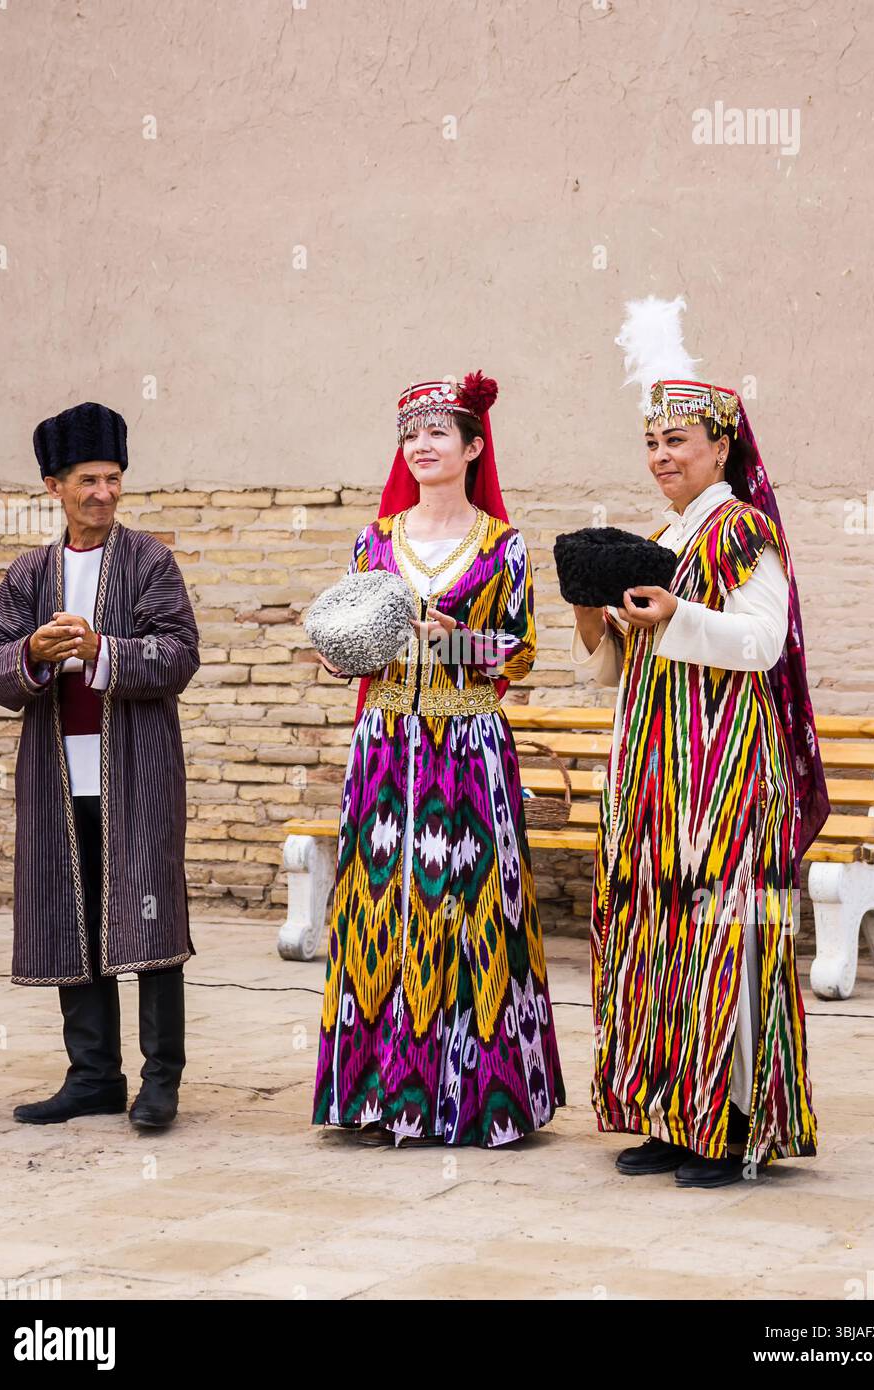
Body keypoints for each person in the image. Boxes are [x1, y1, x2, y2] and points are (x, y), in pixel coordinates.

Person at [570, 299, 829, 1187]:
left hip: (721, 771)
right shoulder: (660, 538)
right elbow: (612, 666)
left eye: (677, 441)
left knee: (723, 935)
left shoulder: (743, 530)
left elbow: (762, 643)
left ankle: (735, 1127)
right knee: (652, 937)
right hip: (650, 772)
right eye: (652, 444)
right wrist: (590, 613)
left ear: (721, 448)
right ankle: (669, 1116)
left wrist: (680, 614)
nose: (661, 458)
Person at [311, 373, 565, 1147]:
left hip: (469, 746)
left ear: (473, 446)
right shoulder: (373, 540)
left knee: (469, 908)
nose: (422, 446)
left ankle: (475, 1098)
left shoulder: (503, 545)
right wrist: (340, 657)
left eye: (438, 433)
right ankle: (375, 1096)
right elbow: (357, 642)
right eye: (410, 434)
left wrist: (450, 635)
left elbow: (518, 656)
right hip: (386, 746)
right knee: (378, 904)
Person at [0, 401, 199, 1130]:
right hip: (58, 774)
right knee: (75, 917)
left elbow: (180, 654)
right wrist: (32, 656)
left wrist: (101, 650)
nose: (103, 493)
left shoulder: (150, 561)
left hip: (137, 772)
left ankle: (159, 1081)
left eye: (113, 479)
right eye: (88, 481)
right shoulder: (31, 572)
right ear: (54, 487)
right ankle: (93, 1075)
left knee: (151, 918)